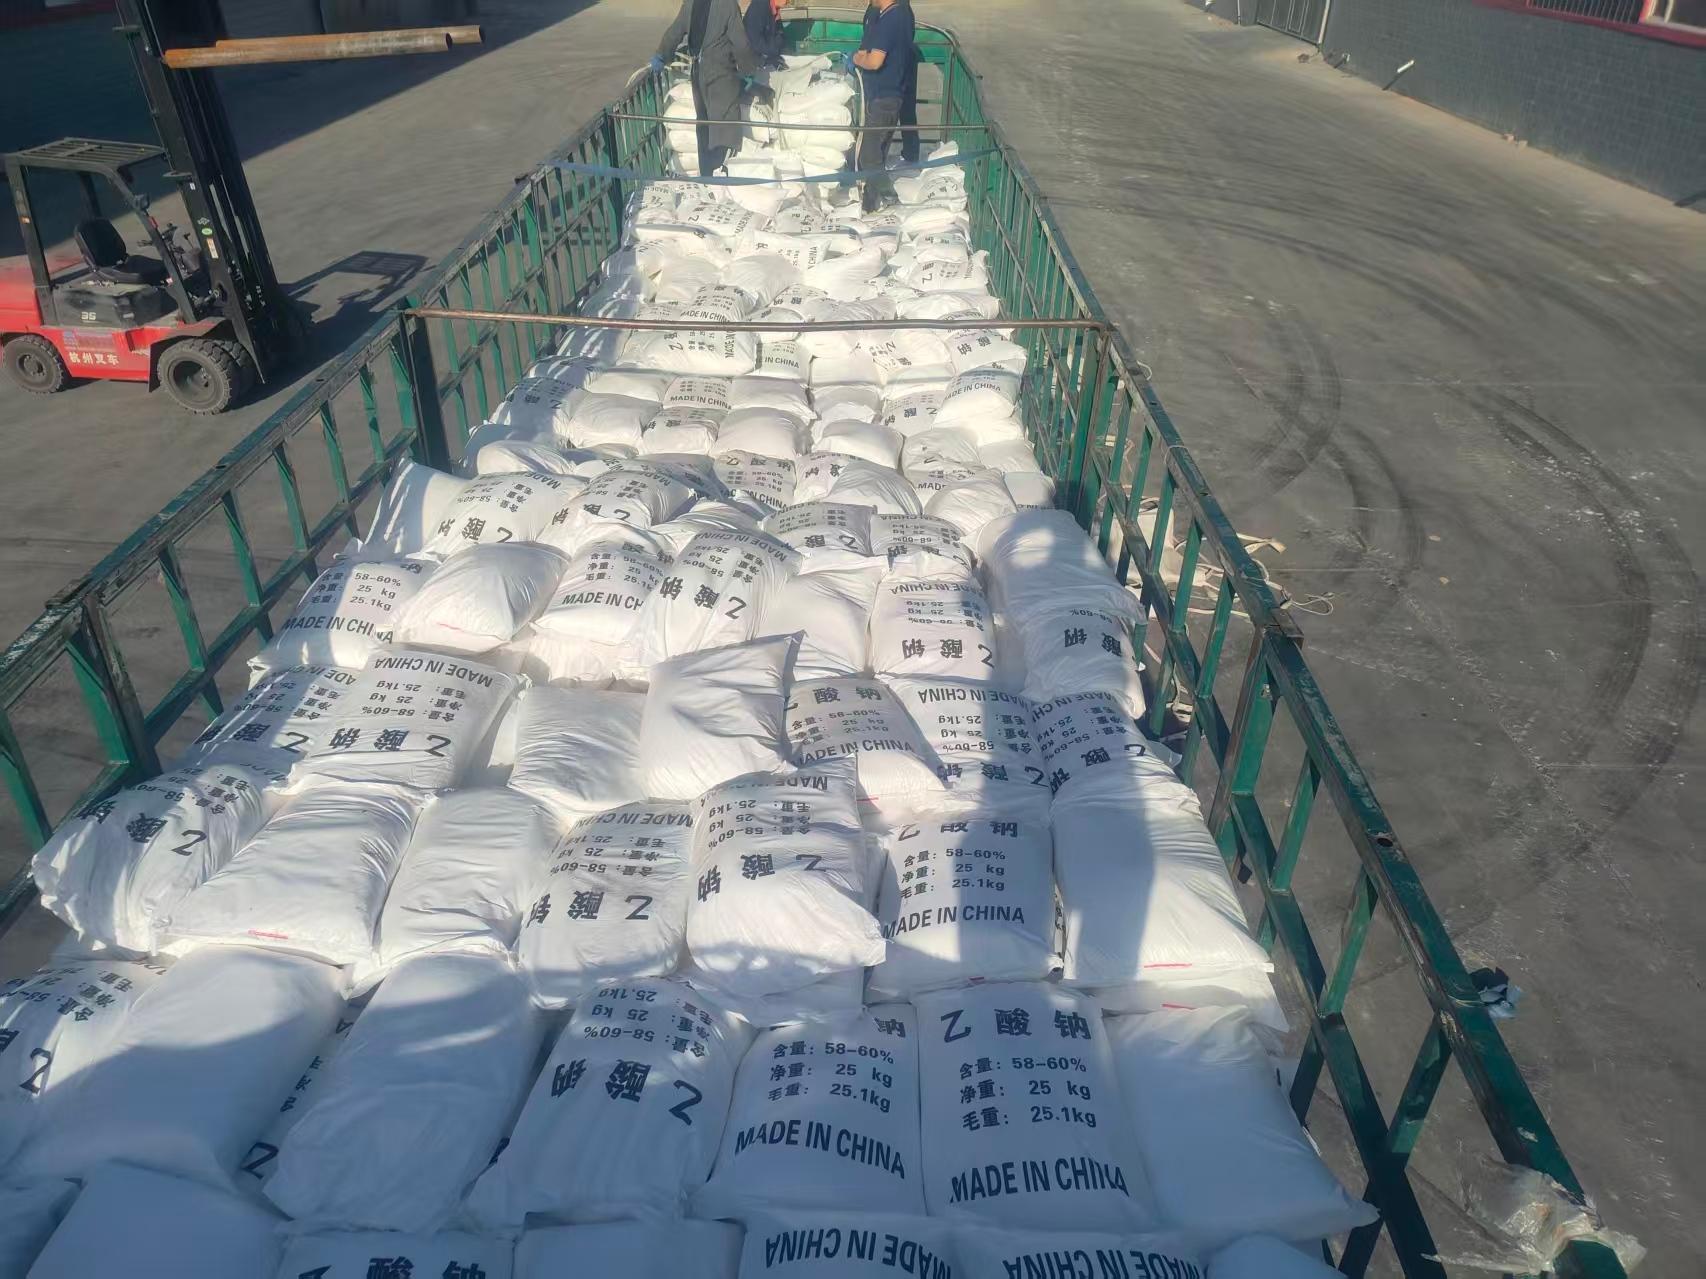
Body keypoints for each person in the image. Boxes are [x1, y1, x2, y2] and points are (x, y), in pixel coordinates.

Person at [653, 0, 757, 175]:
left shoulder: (690, 3)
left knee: (704, 124)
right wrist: (748, 70)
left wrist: (662, 55)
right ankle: (719, 176)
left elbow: (675, 31)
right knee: (723, 126)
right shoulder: (727, 5)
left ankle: (706, 175)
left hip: (698, 74)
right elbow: (741, 43)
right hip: (721, 75)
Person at [851, 0, 915, 213]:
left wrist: (858, 59)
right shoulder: (898, 15)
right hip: (889, 97)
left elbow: (875, 61)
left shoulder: (890, 19)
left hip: (883, 99)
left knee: (868, 156)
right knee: (877, 156)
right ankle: (870, 206)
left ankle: (891, 199)